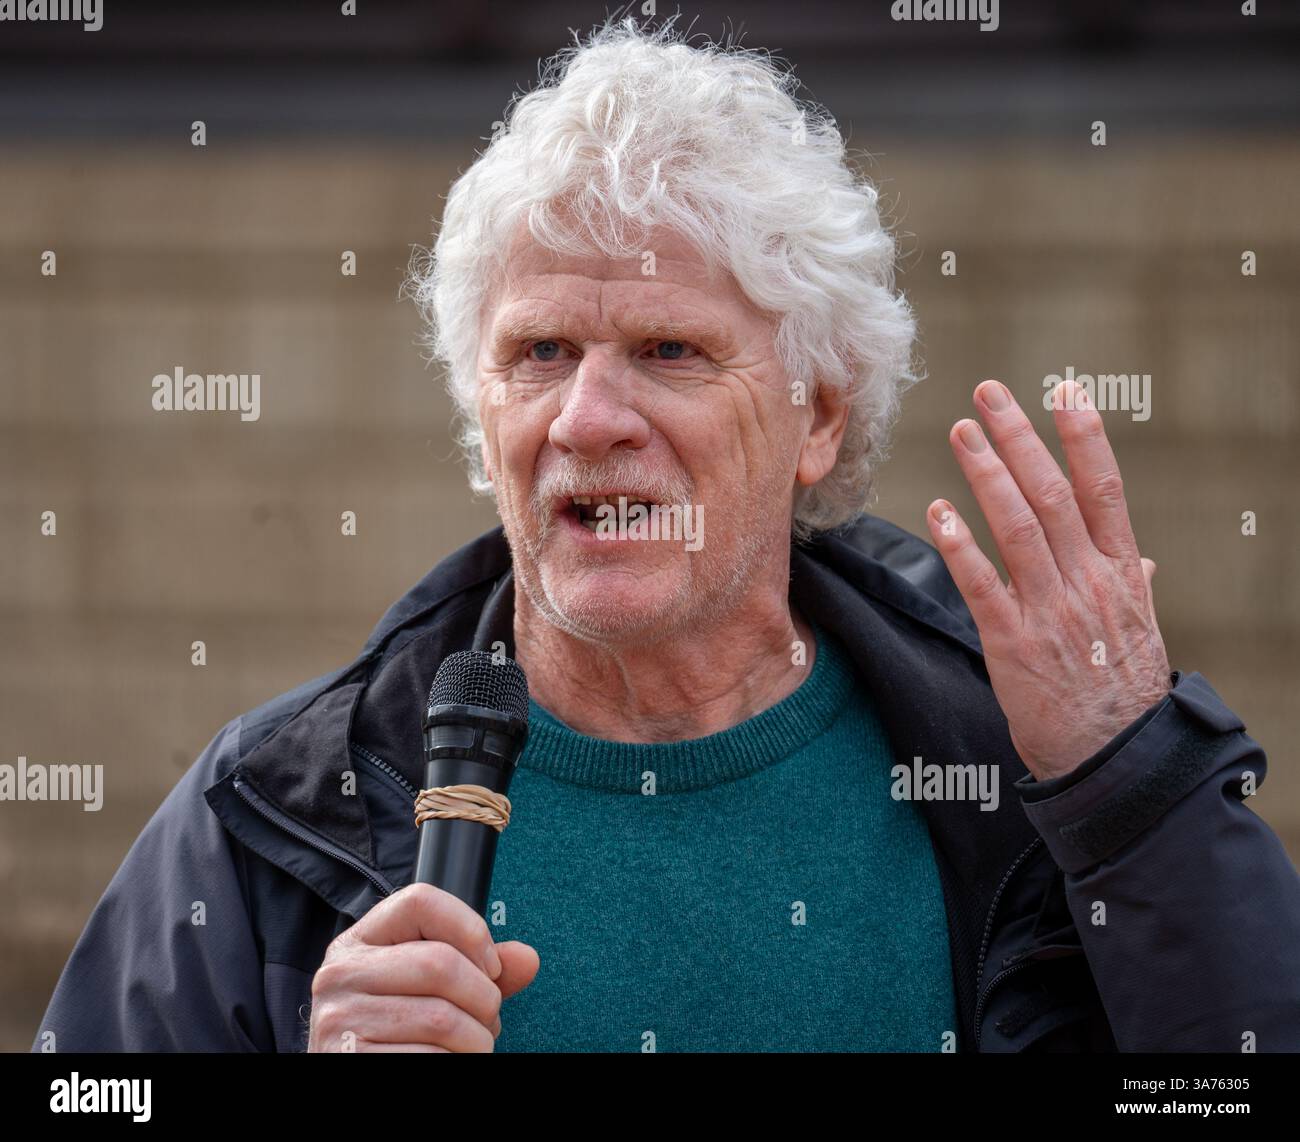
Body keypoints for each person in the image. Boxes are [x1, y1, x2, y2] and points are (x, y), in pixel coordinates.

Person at [34, 16, 1300, 1053]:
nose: (589, 415)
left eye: (667, 351)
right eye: (539, 352)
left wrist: (1138, 806)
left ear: (815, 415)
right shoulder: (268, 805)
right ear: (483, 413)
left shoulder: (1026, 772)